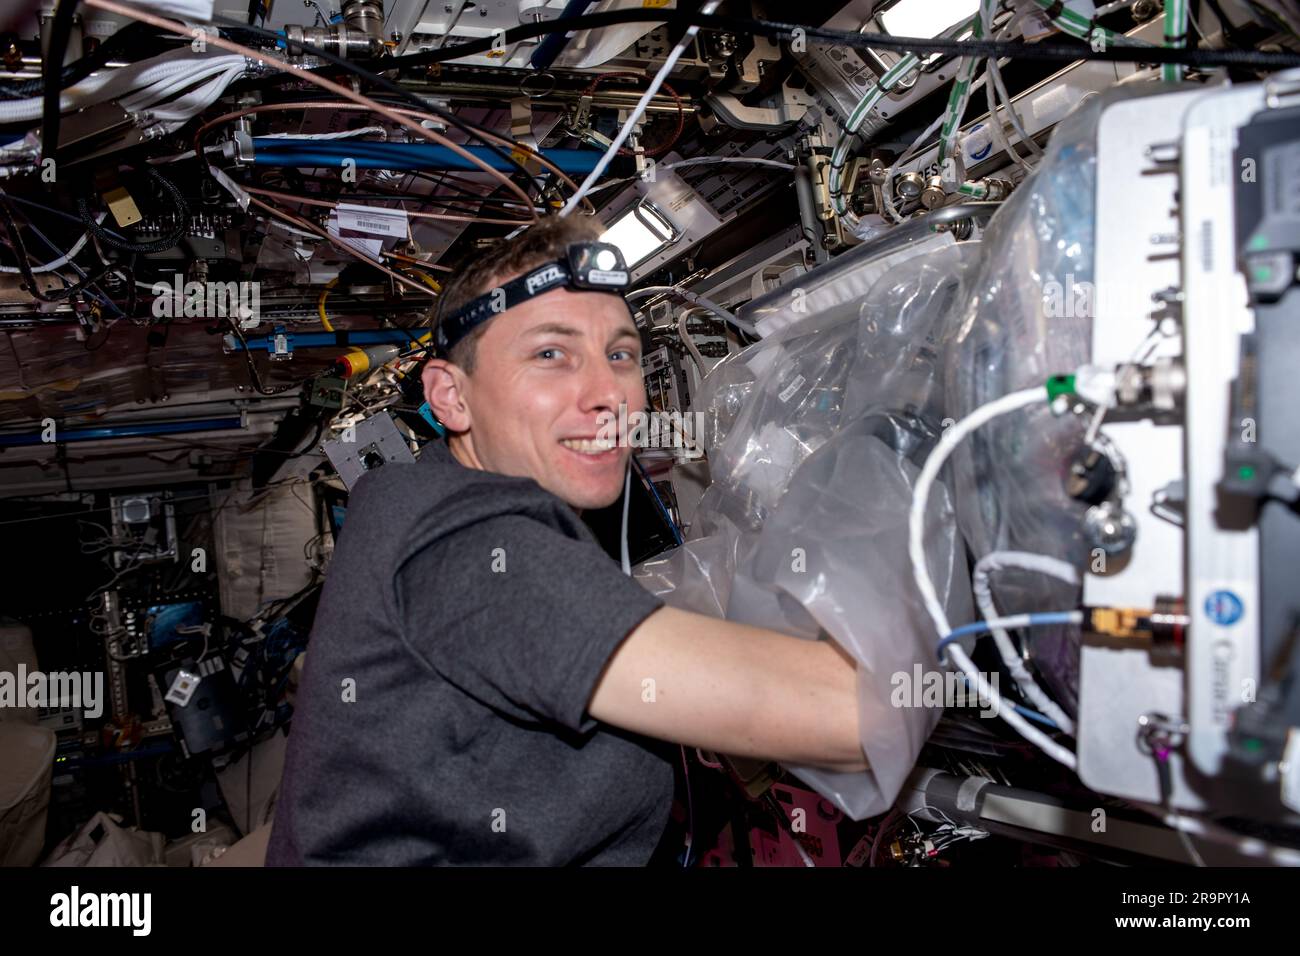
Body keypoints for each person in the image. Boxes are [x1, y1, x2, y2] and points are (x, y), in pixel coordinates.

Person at [266, 215, 864, 866]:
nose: (608, 395)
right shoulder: (457, 538)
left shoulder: (440, 505)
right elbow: (849, 718)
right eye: (551, 354)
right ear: (451, 396)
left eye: (621, 354)